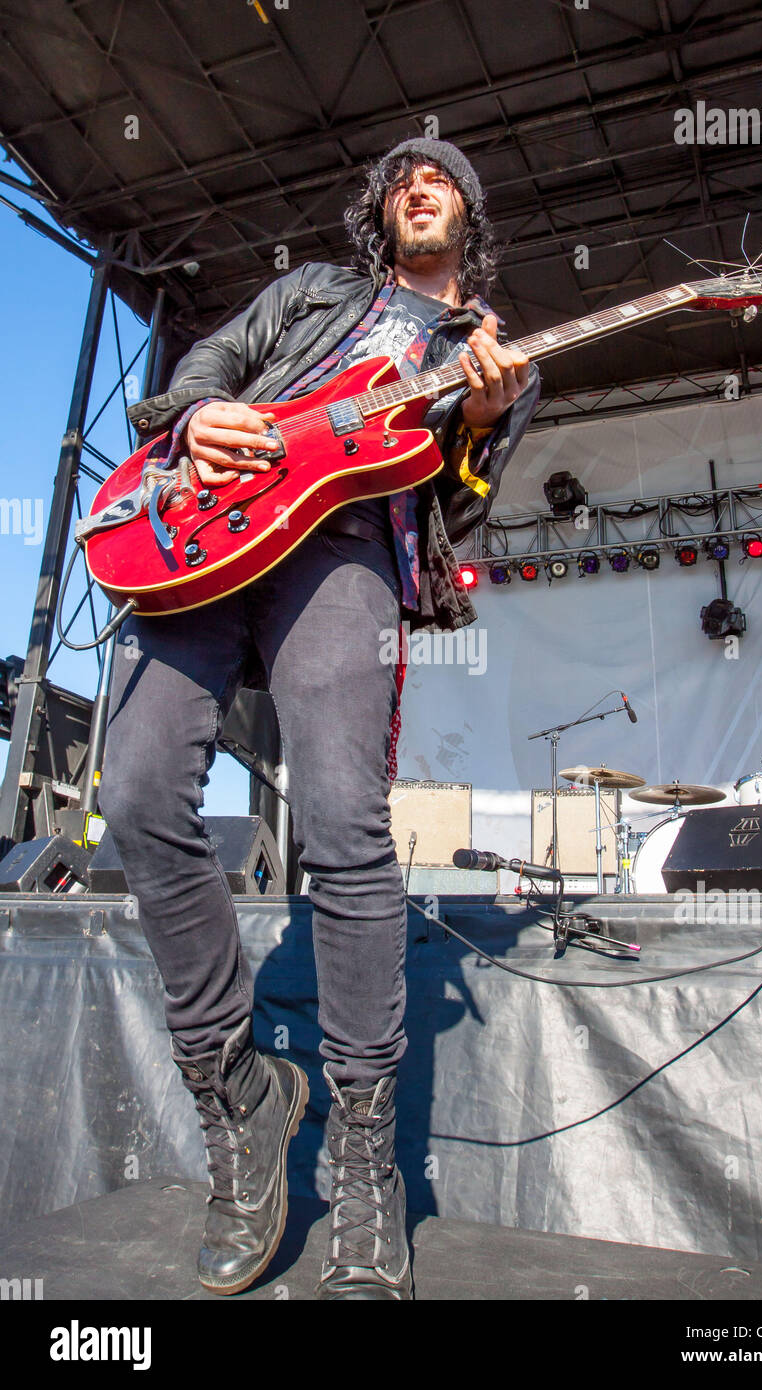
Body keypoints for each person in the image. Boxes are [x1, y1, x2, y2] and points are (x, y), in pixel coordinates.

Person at [99, 137, 540, 1300]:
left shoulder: (488, 353)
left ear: (468, 210)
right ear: (379, 212)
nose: (417, 183)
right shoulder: (314, 293)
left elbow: (456, 512)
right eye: (398, 177)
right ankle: (238, 1092)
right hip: (210, 532)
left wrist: (481, 425)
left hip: (343, 550)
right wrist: (197, 421)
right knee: (136, 792)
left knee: (344, 823)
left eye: (439, 174)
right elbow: (210, 361)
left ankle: (361, 1157)